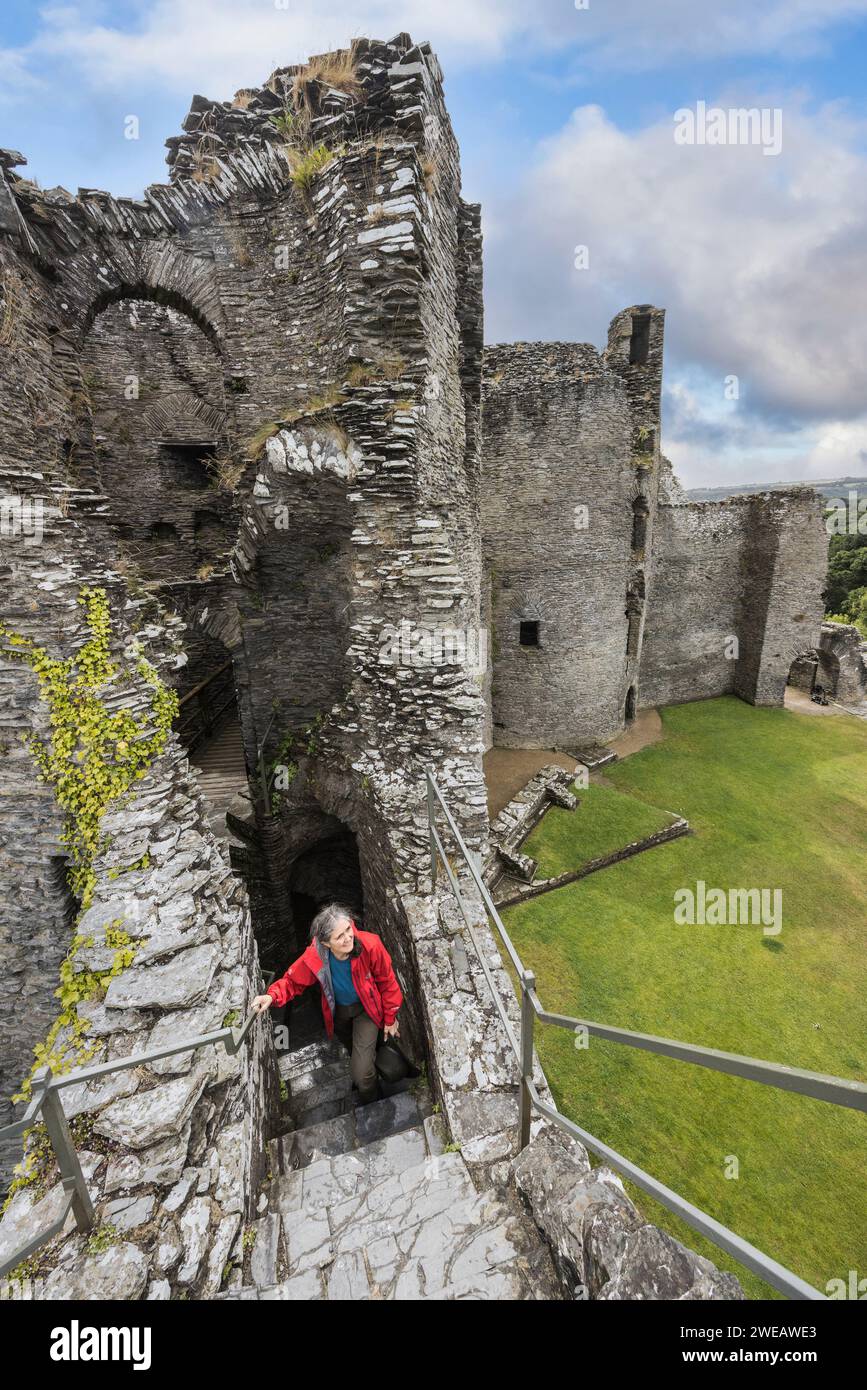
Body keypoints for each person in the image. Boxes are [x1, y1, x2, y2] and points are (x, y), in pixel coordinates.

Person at [252, 902, 403, 1106]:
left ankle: (371, 1097)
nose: (348, 937)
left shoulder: (370, 945)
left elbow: (387, 981)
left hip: (367, 1011)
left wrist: (390, 1017)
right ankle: (365, 1073)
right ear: (325, 943)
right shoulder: (315, 957)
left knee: (361, 1073)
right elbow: (292, 981)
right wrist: (271, 997)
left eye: (348, 929)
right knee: (353, 1049)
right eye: (339, 936)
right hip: (338, 1015)